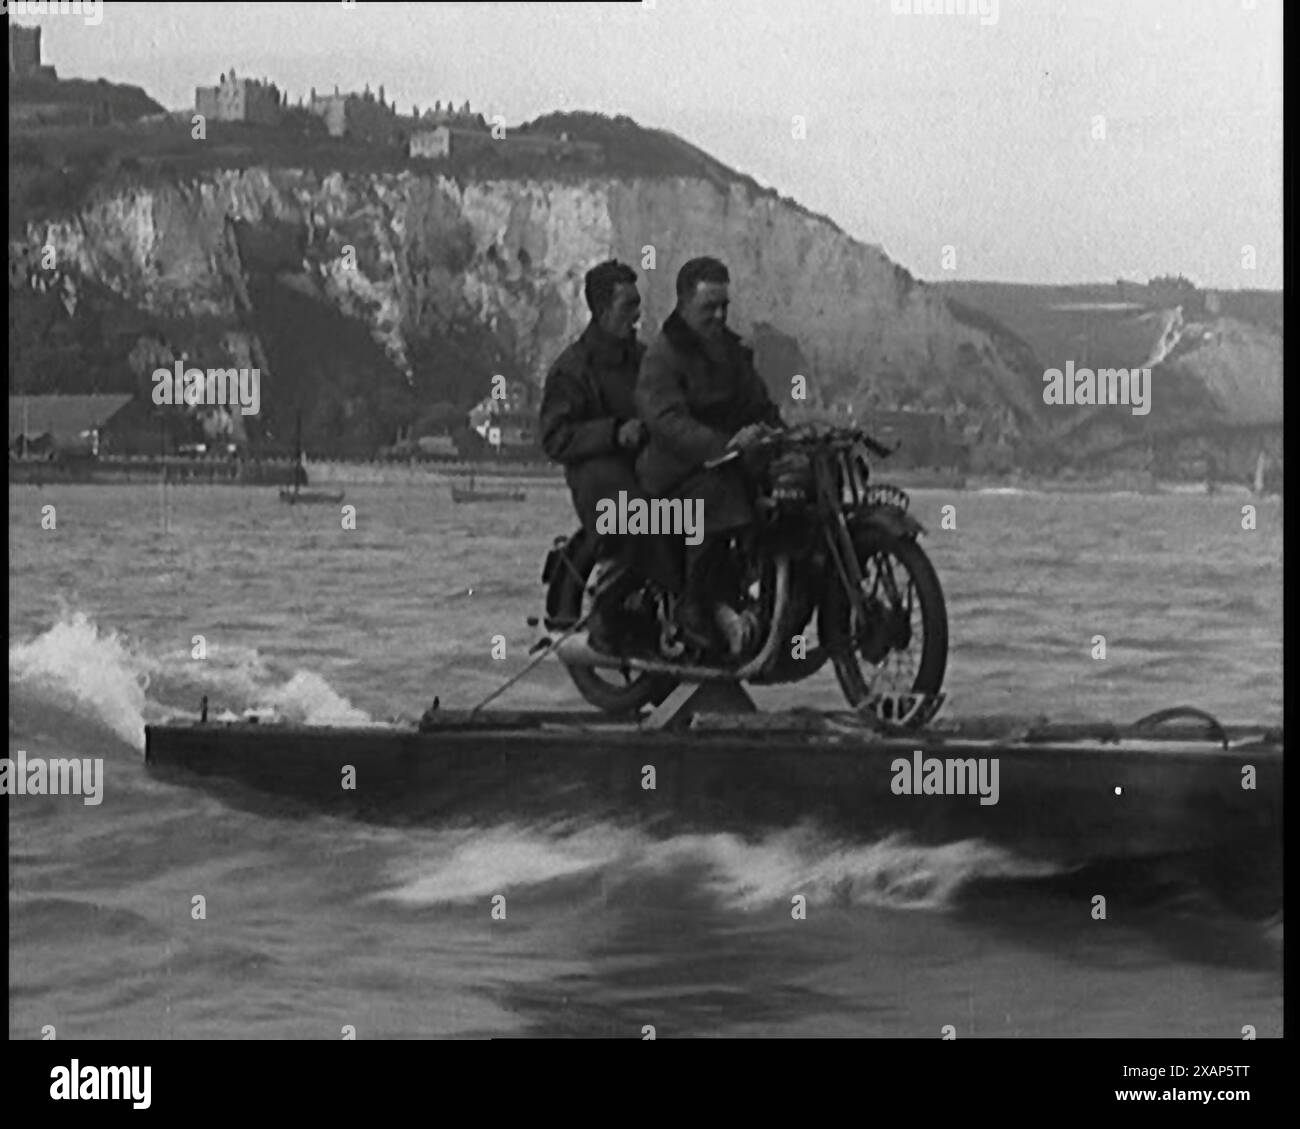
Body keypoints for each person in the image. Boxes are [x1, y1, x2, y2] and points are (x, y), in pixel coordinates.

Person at [635, 257, 785, 657]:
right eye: (709, 307)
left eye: (724, 306)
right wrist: (726, 445)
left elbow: (759, 404)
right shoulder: (663, 355)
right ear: (684, 305)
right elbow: (665, 421)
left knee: (791, 487)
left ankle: (768, 595)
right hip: (674, 475)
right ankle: (694, 609)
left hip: (726, 463)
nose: (719, 315)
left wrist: (778, 433)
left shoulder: (732, 353)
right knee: (718, 495)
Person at [538, 260, 676, 654]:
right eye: (628, 305)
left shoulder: (646, 359)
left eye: (638, 305)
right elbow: (554, 436)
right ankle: (610, 619)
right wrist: (614, 433)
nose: (637, 314)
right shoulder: (572, 370)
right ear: (601, 310)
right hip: (599, 479)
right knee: (641, 517)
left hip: (650, 469)